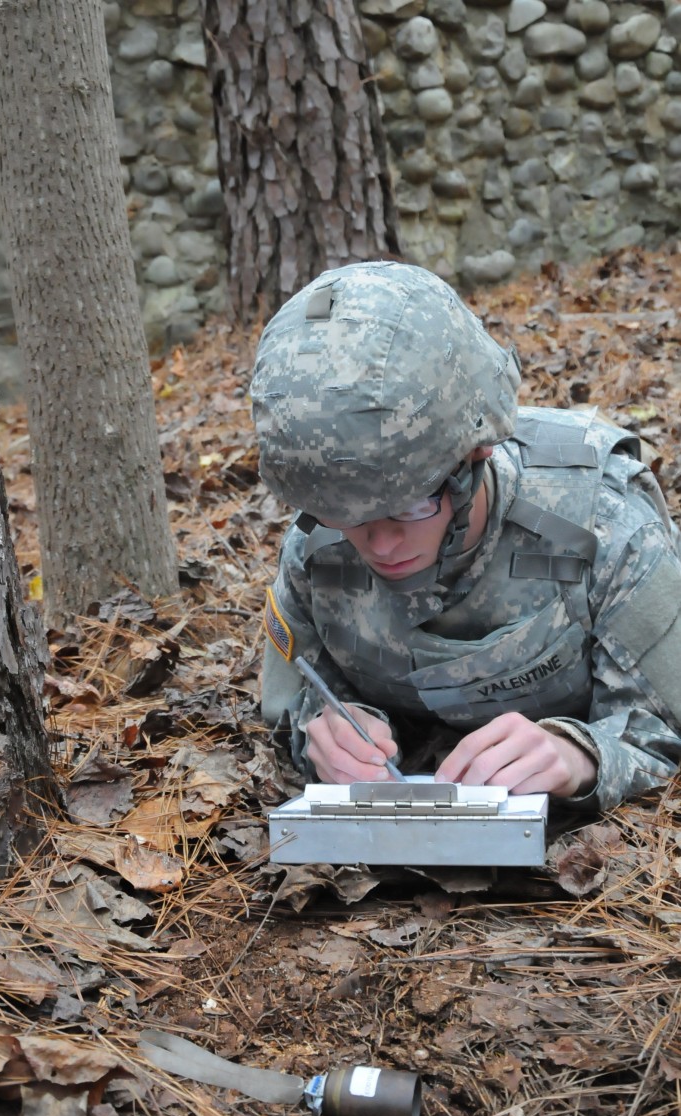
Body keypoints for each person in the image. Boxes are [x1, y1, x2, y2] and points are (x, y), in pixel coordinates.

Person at [251, 260, 681, 810]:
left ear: (476, 455)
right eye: (345, 514)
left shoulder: (599, 521)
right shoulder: (319, 544)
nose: (379, 543)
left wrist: (580, 756)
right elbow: (296, 697)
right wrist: (328, 732)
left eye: (409, 505)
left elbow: (664, 722)